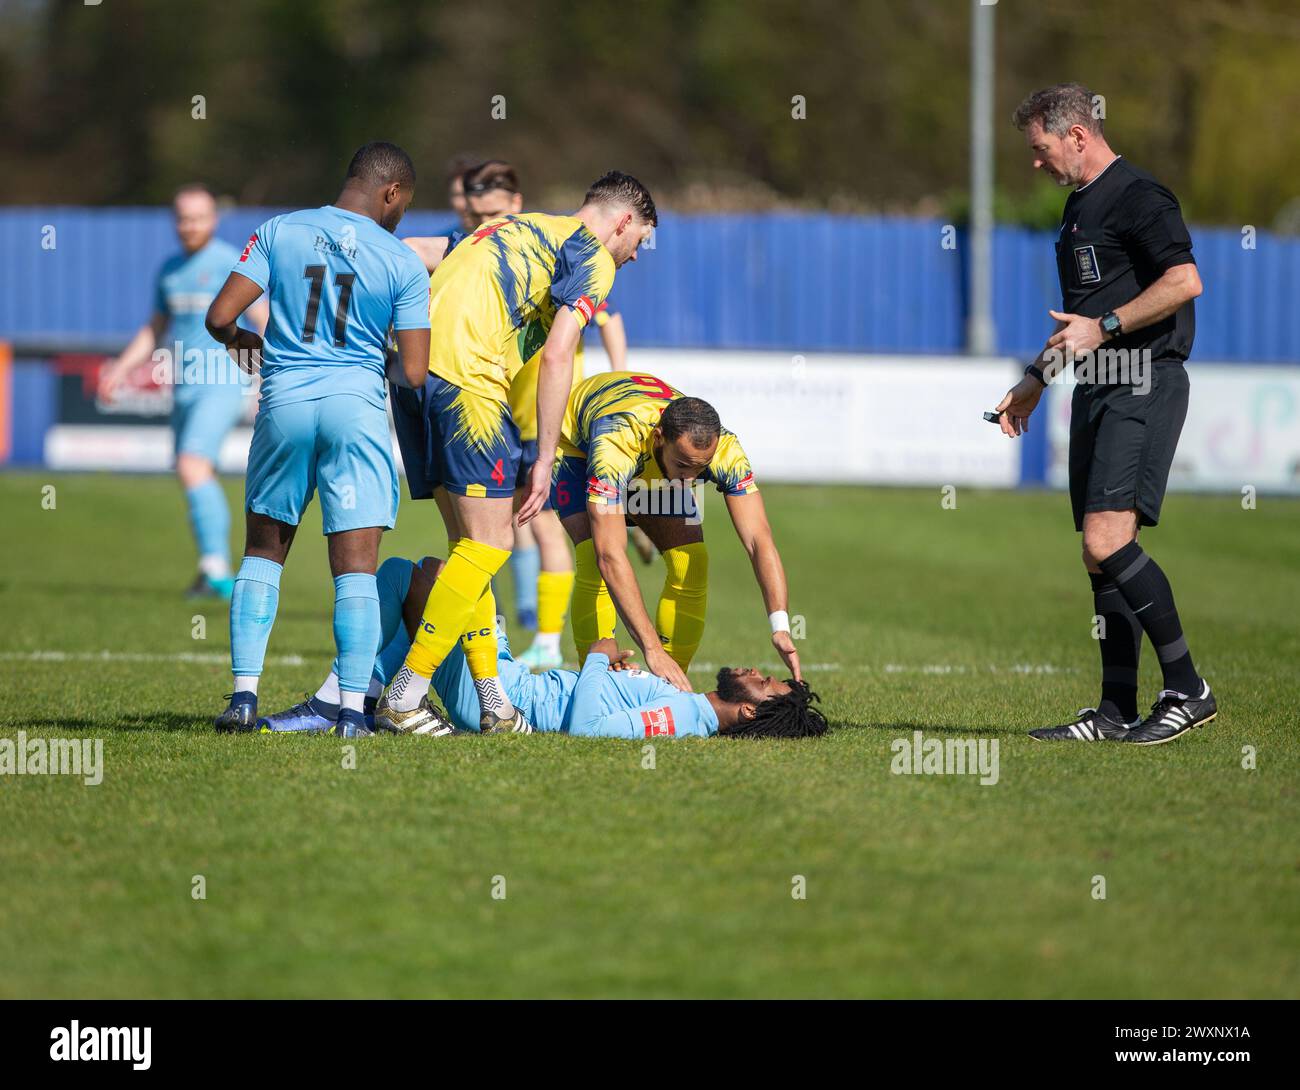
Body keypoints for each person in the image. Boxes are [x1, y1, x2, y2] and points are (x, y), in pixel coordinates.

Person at [373, 171, 657, 736]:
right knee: (493, 541)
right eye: (639, 241)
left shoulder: (516, 227)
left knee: (469, 550)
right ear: (623, 221)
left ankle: (494, 705)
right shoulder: (593, 259)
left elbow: (408, 252)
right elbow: (557, 357)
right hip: (467, 381)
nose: (634, 257)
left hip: (409, 370)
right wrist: (546, 458)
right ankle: (404, 695)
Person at [994, 83, 1214, 745]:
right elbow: (1082, 323)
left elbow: (1184, 282)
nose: (1036, 163)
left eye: (1040, 150)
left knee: (1107, 541)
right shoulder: (1077, 211)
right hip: (1098, 384)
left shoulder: (1140, 196)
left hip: (1144, 379)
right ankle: (1115, 710)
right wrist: (1036, 379)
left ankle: (1187, 689)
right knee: (1098, 558)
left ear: (1078, 136)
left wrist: (1109, 325)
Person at [205, 142, 432, 737]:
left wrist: (241, 345)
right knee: (355, 570)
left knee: (263, 552)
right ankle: (353, 710)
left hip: (285, 404)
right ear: (392, 193)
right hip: (354, 408)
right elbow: (413, 372)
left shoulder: (280, 230)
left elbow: (219, 316)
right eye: (404, 202)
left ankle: (243, 698)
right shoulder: (402, 260)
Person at [257, 555, 828, 740]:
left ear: (750, 709)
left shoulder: (687, 716)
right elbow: (606, 703)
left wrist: (601, 657)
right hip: (505, 673)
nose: (755, 669)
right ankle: (358, 694)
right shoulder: (689, 701)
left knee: (439, 576)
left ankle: (354, 698)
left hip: (507, 700)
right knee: (405, 571)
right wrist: (614, 671)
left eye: (765, 681)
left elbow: (588, 729)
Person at [550, 371, 802, 693]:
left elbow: (758, 539)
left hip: (651, 462)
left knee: (691, 561)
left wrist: (779, 624)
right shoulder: (616, 441)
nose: (690, 480)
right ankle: (597, 685)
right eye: (684, 465)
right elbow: (609, 555)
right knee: (592, 555)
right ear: (659, 438)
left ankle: (669, 688)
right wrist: (651, 649)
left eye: (701, 469)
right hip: (578, 446)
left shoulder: (725, 450)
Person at [99, 184, 268, 599]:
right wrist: (120, 368)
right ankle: (211, 566)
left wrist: (261, 377)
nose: (190, 225)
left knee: (193, 464)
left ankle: (218, 573)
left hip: (223, 381)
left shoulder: (232, 262)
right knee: (190, 470)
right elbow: (156, 328)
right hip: (185, 385)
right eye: (183, 217)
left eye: (198, 217)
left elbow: (262, 319)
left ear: (213, 219)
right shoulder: (170, 269)